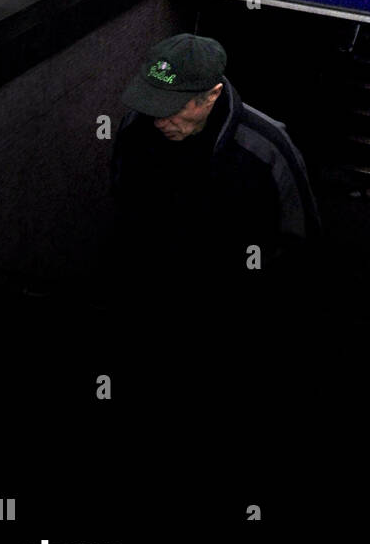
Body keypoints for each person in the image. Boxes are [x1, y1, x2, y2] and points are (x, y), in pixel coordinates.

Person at [109, 34, 321, 399]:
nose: (159, 119)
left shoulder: (267, 148)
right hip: (151, 304)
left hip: (234, 319)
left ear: (212, 95)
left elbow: (300, 239)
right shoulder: (136, 128)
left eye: (172, 107)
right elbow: (125, 205)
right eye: (152, 103)